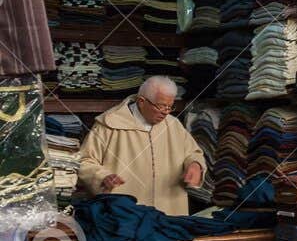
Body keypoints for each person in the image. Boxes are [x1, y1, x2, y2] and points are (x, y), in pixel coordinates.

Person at [76, 76, 205, 216]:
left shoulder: (173, 125)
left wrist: (195, 164)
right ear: (141, 101)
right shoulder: (110, 124)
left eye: (170, 107)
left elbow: (193, 152)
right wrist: (102, 177)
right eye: (161, 106)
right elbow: (84, 161)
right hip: (124, 215)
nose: (166, 112)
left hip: (169, 213)